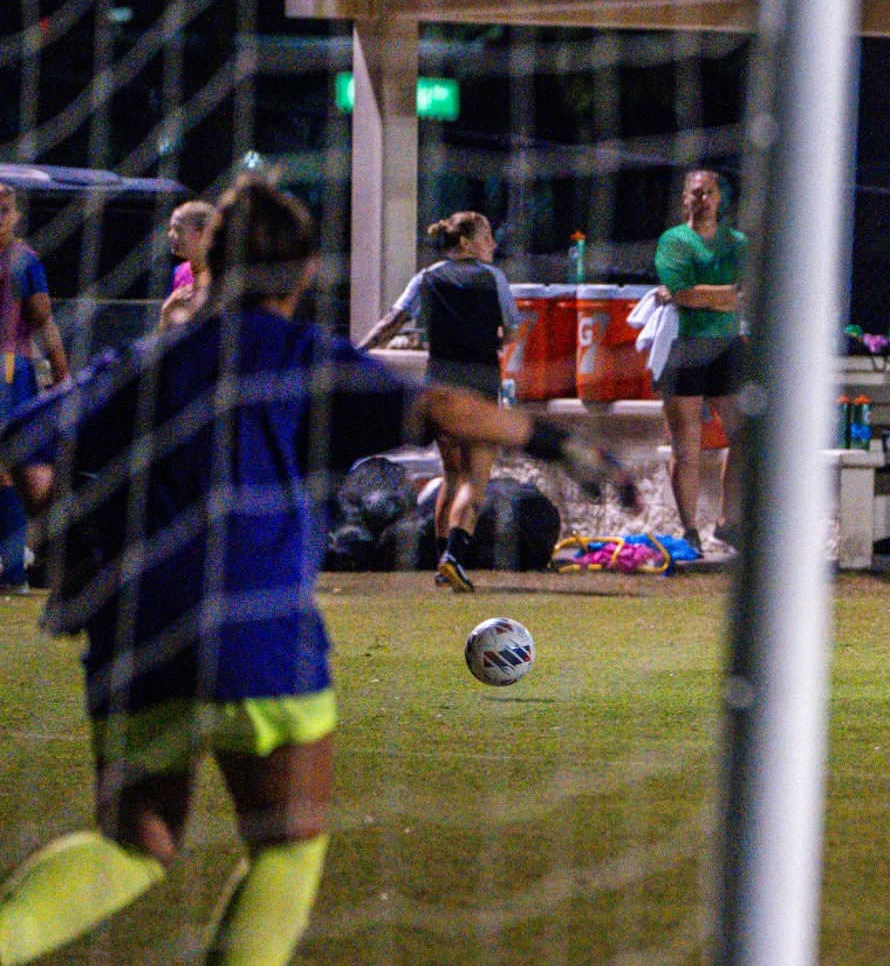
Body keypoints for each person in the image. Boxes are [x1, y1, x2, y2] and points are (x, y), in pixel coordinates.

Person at [0, 175, 627, 966]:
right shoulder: (302, 357)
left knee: (135, 842)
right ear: (303, 275)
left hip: (138, 633)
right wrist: (560, 445)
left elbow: (24, 444)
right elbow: (442, 408)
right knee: (287, 846)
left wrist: (69, 545)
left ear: (214, 266)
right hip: (258, 630)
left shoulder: (144, 360)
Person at [356, 212, 523, 591]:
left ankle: (441, 560)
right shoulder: (492, 278)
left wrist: (357, 353)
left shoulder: (426, 277)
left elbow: (391, 323)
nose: (493, 245)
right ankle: (454, 558)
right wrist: (495, 336)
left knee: (450, 474)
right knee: (476, 478)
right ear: (466, 243)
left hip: (440, 387)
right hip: (479, 385)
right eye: (487, 237)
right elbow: (513, 329)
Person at [653, 169, 748, 556]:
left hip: (726, 343)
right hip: (686, 344)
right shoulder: (674, 240)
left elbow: (746, 292)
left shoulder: (736, 241)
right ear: (685, 199)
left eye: (709, 192)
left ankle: (728, 523)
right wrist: (720, 295)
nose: (703, 199)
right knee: (687, 445)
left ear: (720, 199)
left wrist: (700, 295)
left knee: (744, 436)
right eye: (696, 193)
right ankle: (689, 528)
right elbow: (683, 292)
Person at [0, 183, 70, 592]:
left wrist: (62, 373)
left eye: (5, 210)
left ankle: (15, 572)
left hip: (8, 367)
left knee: (9, 468)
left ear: (17, 217)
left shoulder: (23, 261)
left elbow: (44, 320)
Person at [157, 199, 217, 332]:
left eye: (178, 229)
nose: (170, 235)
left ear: (200, 234)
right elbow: (164, 337)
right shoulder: (180, 273)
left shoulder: (221, 273)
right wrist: (167, 310)